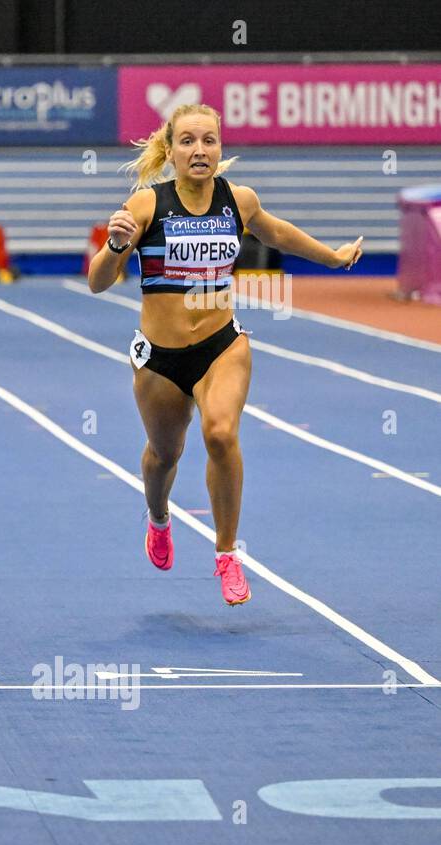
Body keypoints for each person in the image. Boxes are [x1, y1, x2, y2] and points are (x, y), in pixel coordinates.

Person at [88, 102, 362, 605]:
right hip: (160, 359)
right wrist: (115, 245)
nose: (200, 150)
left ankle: (227, 554)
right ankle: (158, 518)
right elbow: (97, 282)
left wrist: (334, 256)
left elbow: (280, 234)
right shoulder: (147, 205)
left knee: (220, 432)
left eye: (209, 140)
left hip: (221, 345)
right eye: (188, 141)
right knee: (163, 456)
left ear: (221, 148)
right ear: (170, 151)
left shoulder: (240, 200)